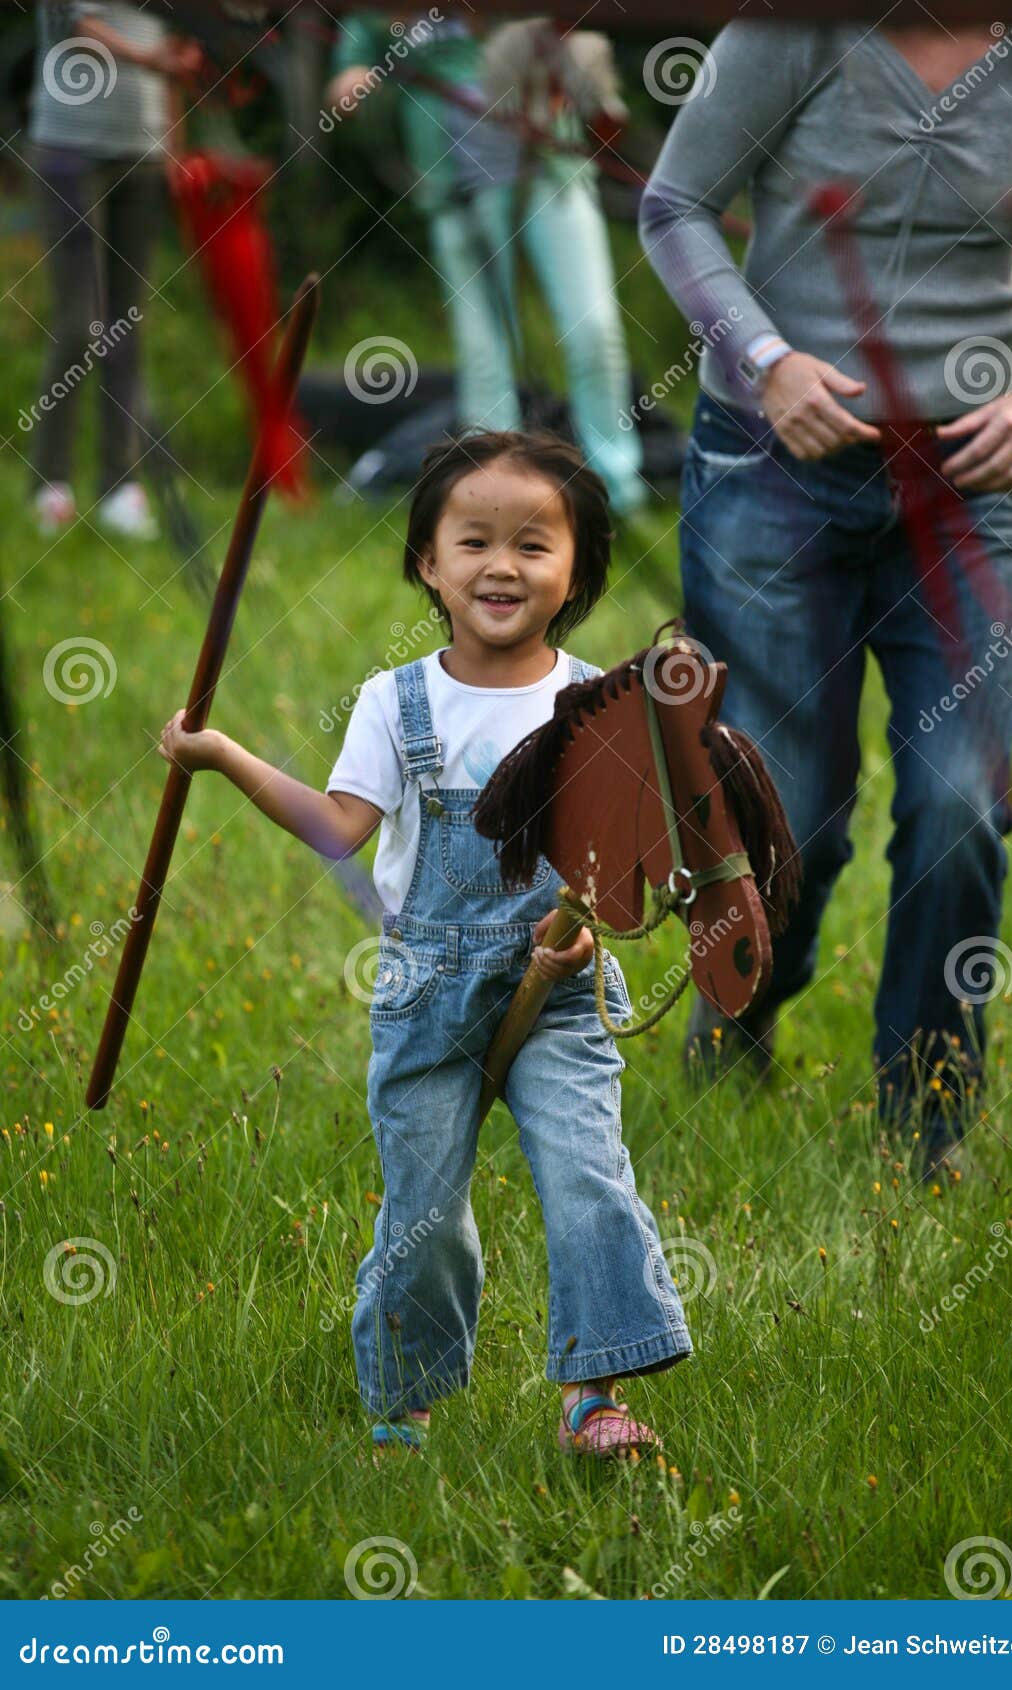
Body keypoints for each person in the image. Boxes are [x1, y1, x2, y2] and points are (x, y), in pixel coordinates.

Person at [158, 429, 691, 1456]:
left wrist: (588, 933)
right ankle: (405, 1395)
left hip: (561, 990)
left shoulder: (598, 703)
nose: (502, 564)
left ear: (576, 567)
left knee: (588, 1175)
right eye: (474, 541)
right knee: (424, 1208)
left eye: (535, 544)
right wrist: (220, 754)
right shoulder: (394, 702)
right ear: (426, 563)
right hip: (430, 988)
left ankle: (596, 1390)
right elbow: (337, 828)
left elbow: (625, 861)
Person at [639, 20, 1012, 1166]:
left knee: (958, 807)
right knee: (796, 807)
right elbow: (674, 208)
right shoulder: (790, 36)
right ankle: (742, 1014)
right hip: (773, 474)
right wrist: (765, 360)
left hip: (977, 482)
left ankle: (928, 1118)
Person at [325, 9, 646, 516]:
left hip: (548, 173)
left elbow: (581, 59)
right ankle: (496, 497)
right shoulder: (381, 14)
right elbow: (345, 85)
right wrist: (360, 83)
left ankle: (614, 491)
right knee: (485, 351)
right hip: (457, 195)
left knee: (593, 331)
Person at [26, 2, 200, 538]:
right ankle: (48, 480)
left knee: (127, 327)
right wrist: (149, 59)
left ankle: (118, 486)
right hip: (70, 153)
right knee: (82, 324)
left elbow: (174, 48)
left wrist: (176, 148)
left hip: (141, 156)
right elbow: (73, 27)